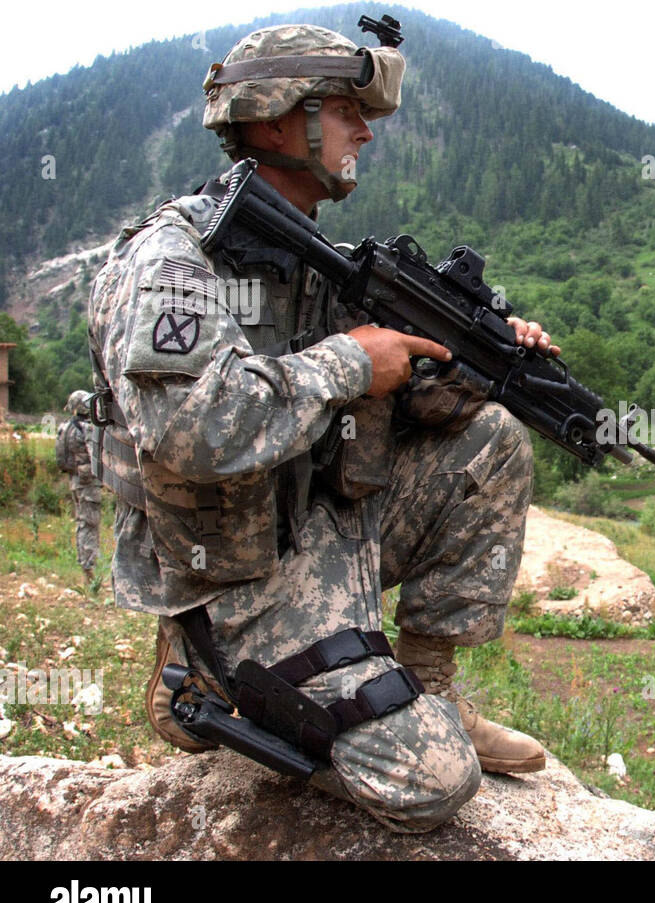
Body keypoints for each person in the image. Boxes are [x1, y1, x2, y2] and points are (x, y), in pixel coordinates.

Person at [87, 22, 556, 832]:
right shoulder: (173, 261)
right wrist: (348, 362)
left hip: (320, 530)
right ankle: (201, 676)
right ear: (274, 121)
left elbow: (406, 406)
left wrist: (483, 361)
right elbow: (191, 432)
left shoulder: (319, 263)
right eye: (346, 110)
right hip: (233, 575)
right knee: (434, 782)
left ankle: (427, 690)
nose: (366, 130)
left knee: (495, 442)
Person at [55, 390, 101, 584]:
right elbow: (96, 456)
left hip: (75, 481)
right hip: (87, 483)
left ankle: (85, 566)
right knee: (90, 525)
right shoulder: (86, 429)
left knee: (82, 523)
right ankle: (89, 572)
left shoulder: (67, 427)